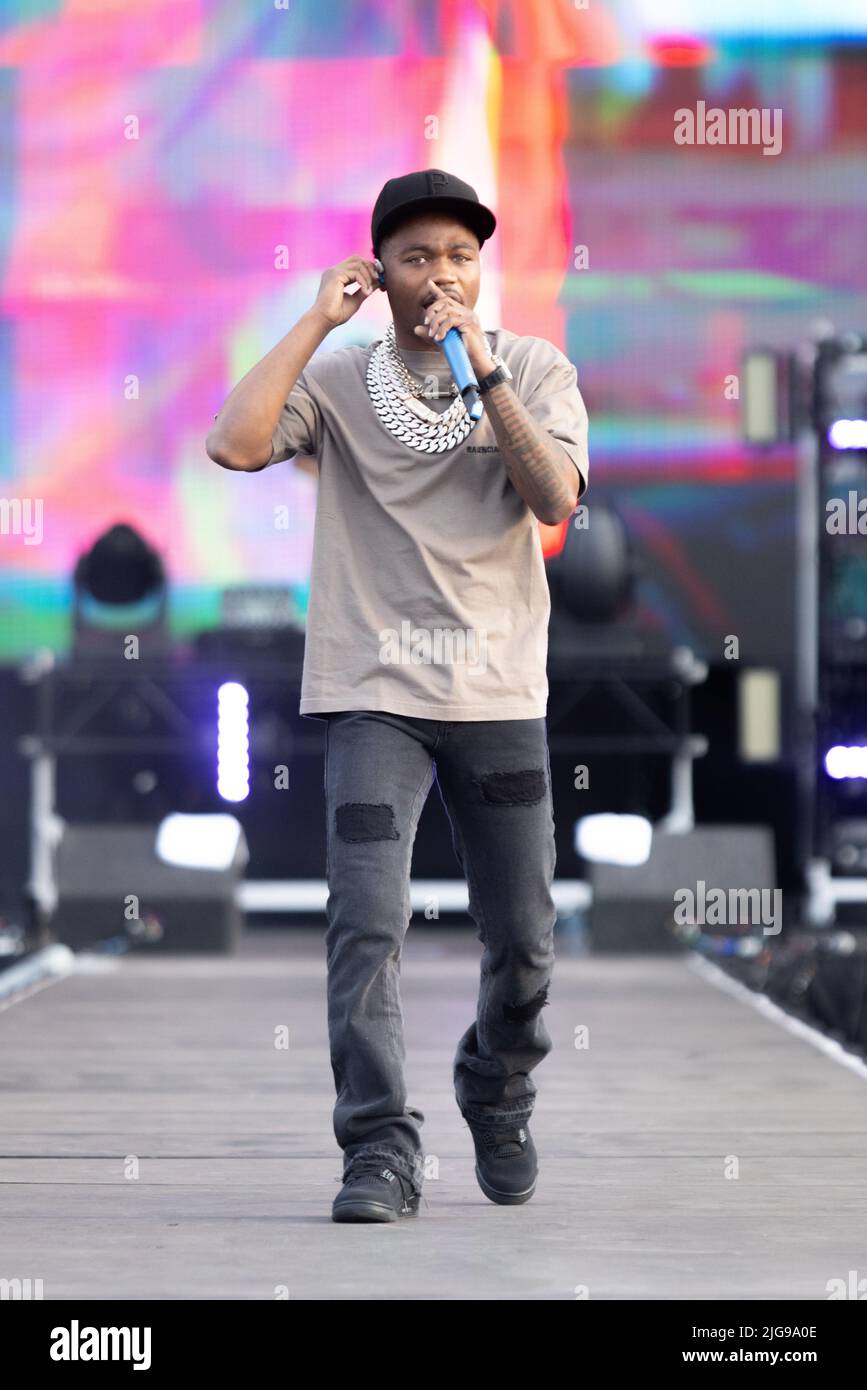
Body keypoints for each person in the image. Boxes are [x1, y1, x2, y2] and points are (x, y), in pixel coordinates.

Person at [207, 169, 589, 1223]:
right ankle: (379, 1146)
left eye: (461, 256)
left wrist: (485, 374)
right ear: (382, 272)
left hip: (498, 692)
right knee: (365, 924)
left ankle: (496, 1081)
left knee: (523, 939)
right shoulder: (340, 376)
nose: (442, 275)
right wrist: (311, 318)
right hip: (374, 692)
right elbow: (233, 443)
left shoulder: (536, 368)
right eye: (418, 256)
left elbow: (554, 498)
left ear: (481, 268)